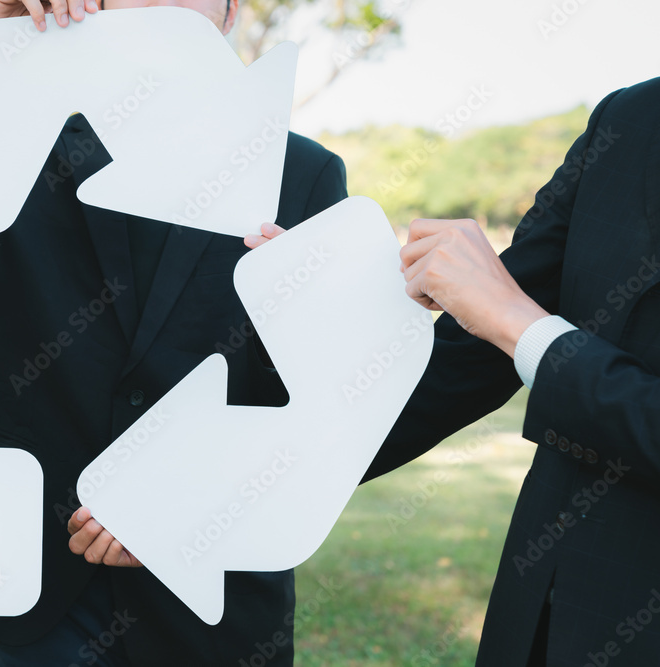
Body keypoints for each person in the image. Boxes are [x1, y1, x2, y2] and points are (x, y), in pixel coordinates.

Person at [0, 0, 347, 663]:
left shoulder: (306, 174)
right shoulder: (24, 148)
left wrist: (190, 508)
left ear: (232, 11)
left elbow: (323, 399)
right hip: (42, 573)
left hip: (212, 586)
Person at [188, 76, 660, 665]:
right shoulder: (631, 115)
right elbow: (465, 363)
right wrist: (333, 321)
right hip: (542, 614)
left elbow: (503, 315)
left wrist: (521, 324)